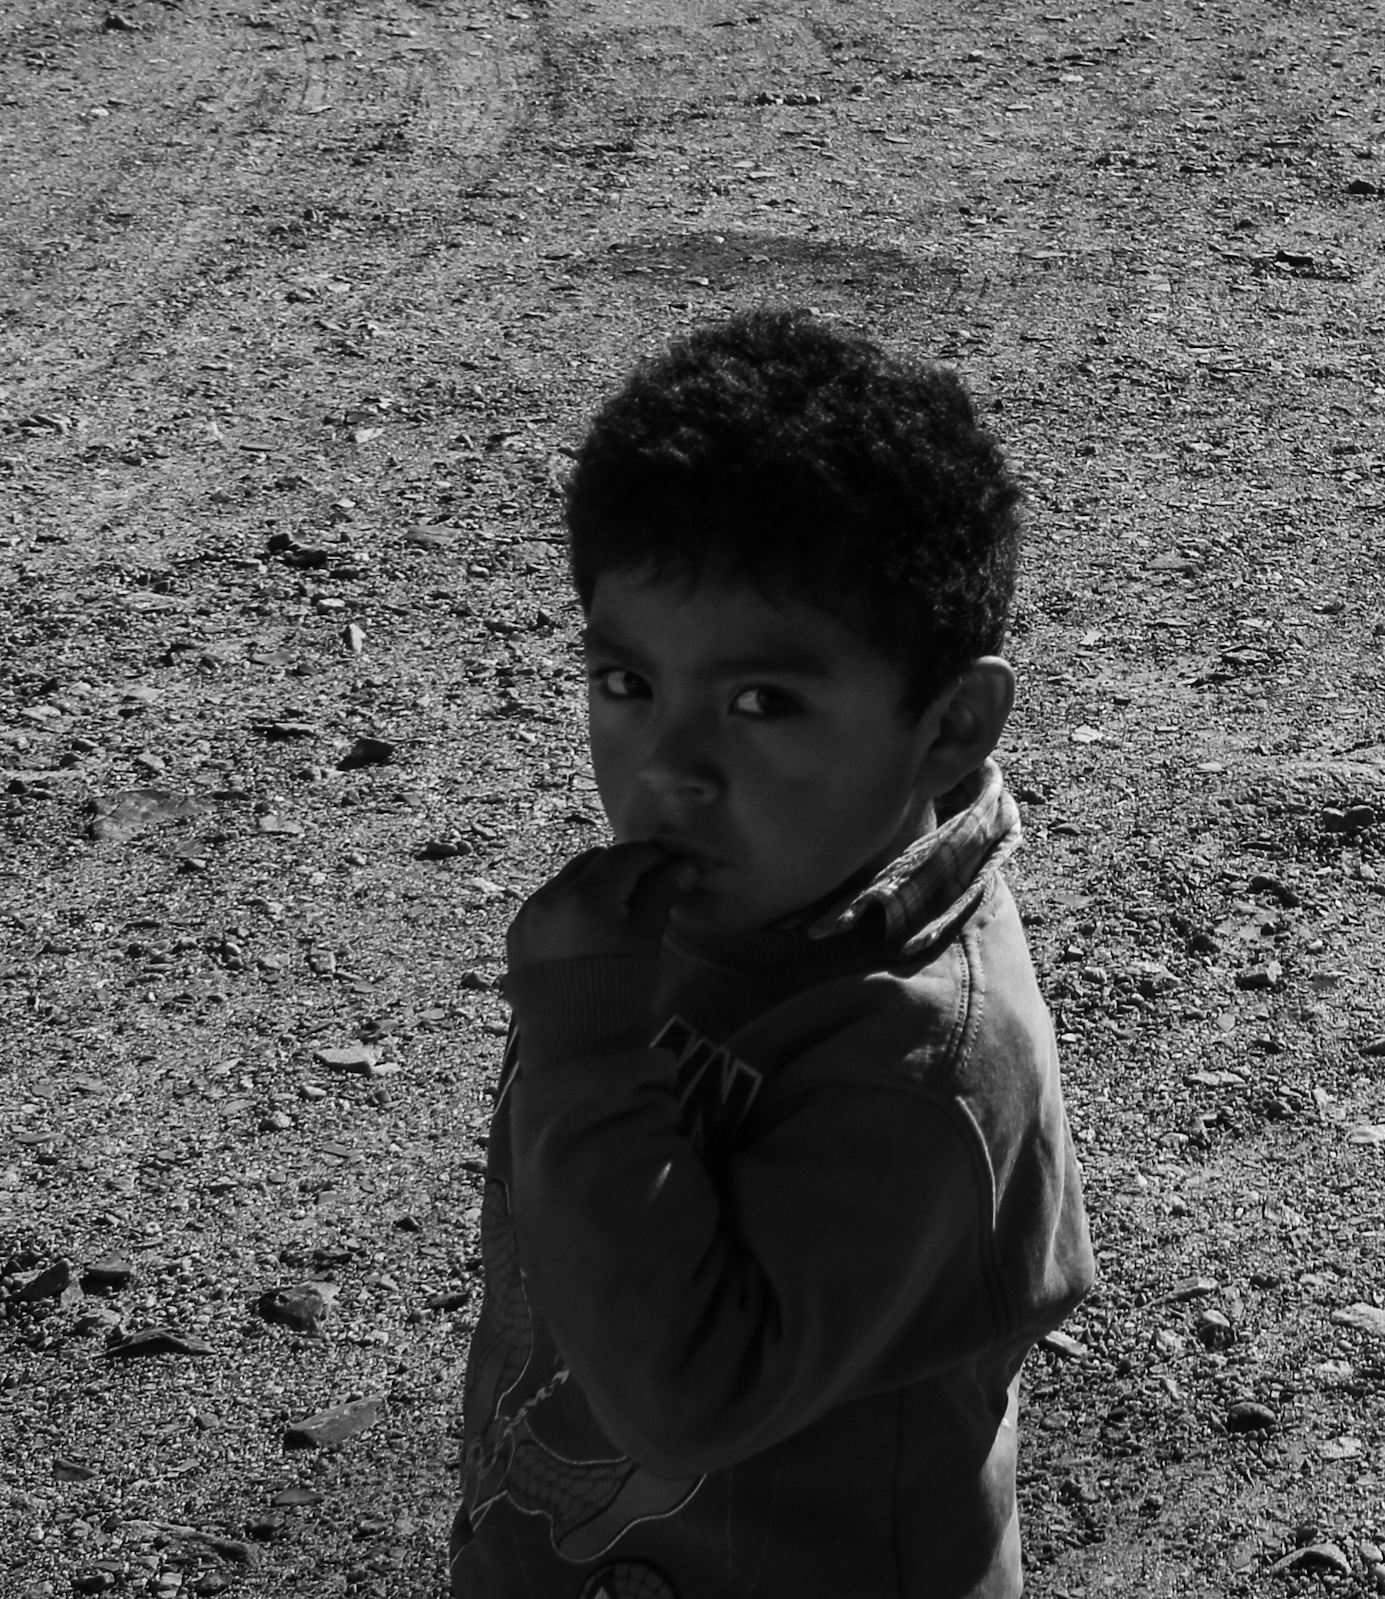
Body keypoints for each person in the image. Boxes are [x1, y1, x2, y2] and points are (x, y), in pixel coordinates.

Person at [452, 309, 1096, 1599]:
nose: (670, 769)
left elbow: (687, 1398)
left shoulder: (924, 1063)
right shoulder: (716, 907)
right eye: (627, 684)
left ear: (951, 723)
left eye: (762, 703)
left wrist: (586, 1040)